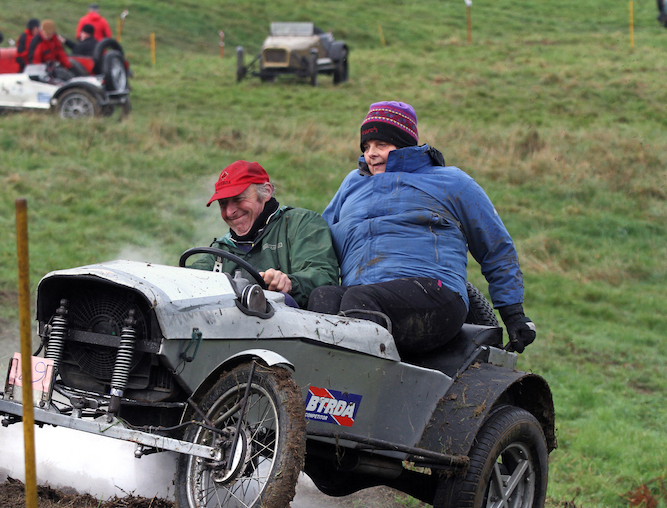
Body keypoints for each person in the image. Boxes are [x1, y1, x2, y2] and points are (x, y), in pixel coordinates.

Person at [308, 101, 537, 354]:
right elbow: (318, 241)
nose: (370, 153)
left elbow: (495, 247)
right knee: (323, 297)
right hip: (366, 293)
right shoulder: (353, 183)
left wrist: (513, 314)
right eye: (366, 146)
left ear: (404, 144)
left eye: (381, 145)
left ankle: (362, 387)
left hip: (434, 295)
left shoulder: (451, 181)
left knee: (359, 300)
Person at [189, 160, 340, 309]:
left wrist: (289, 283)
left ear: (266, 191)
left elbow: (323, 276)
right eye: (223, 203)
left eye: (238, 199)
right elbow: (186, 279)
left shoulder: (301, 223)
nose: (229, 212)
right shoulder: (219, 252)